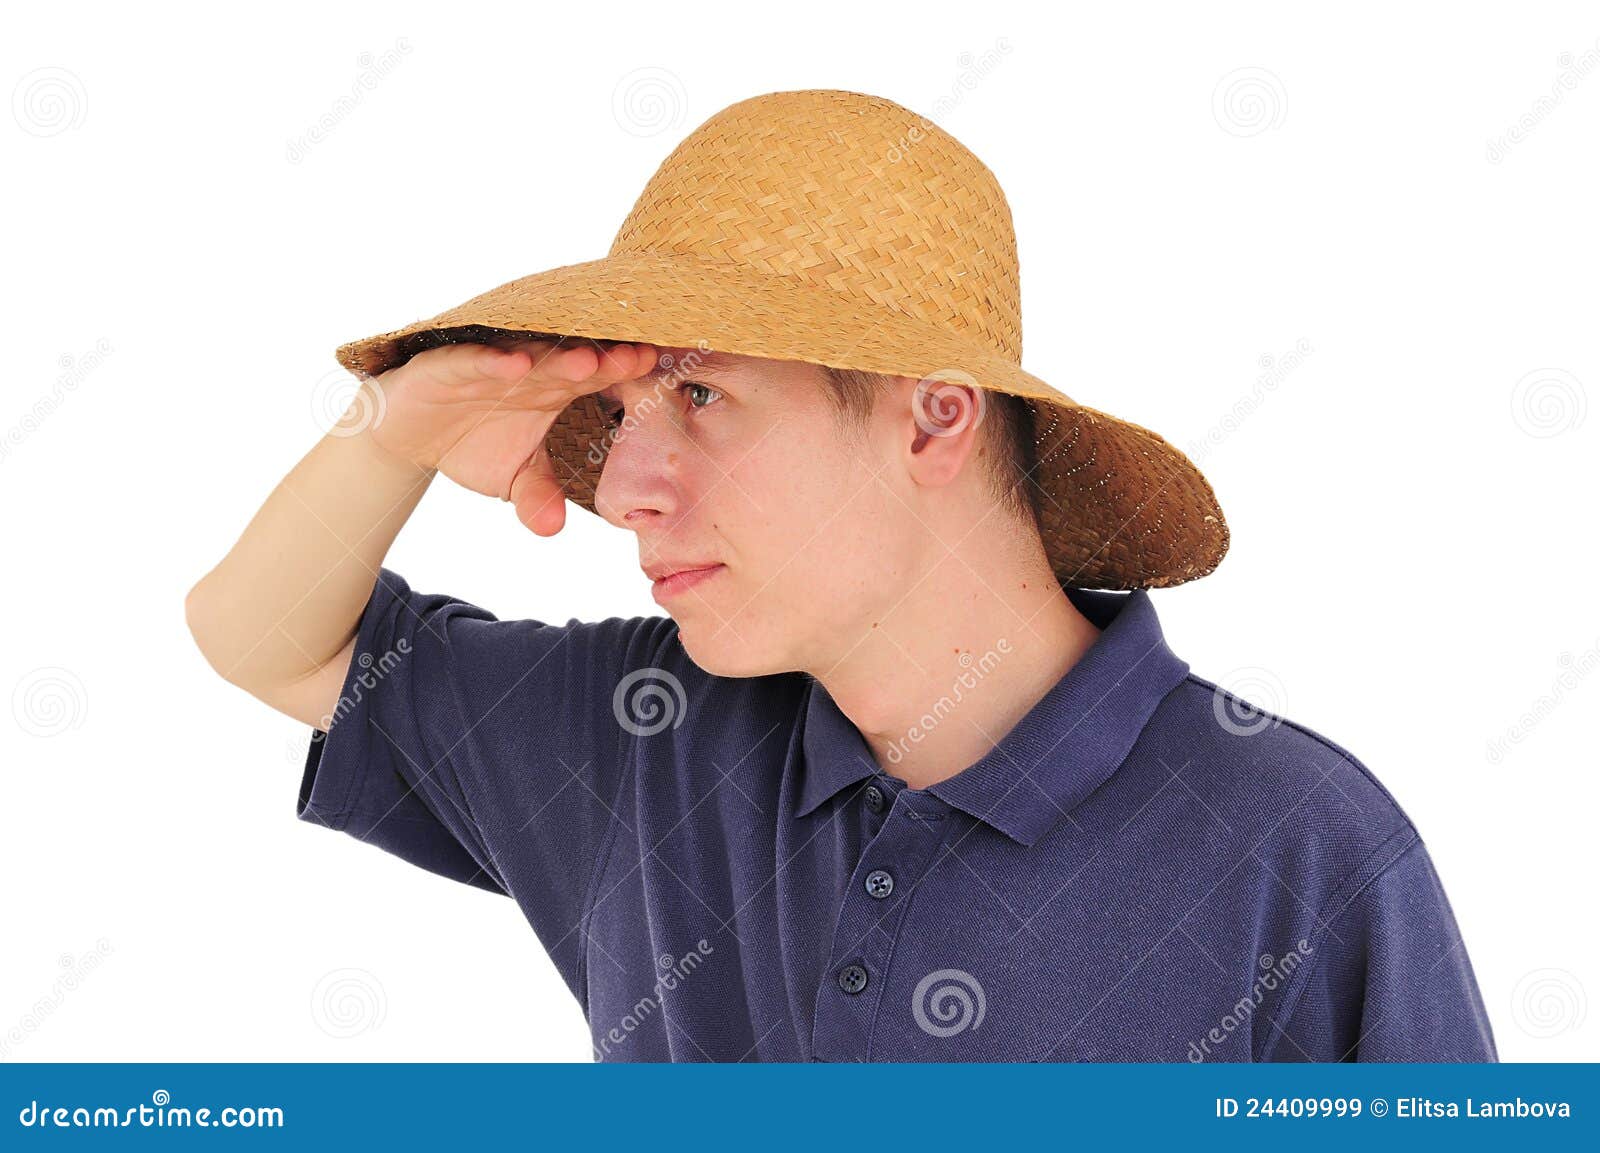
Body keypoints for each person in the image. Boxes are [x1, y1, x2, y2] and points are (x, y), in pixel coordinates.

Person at [186, 89, 1496, 1062]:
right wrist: (394, 435)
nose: (626, 488)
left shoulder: (1293, 846)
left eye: (698, 392)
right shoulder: (650, 733)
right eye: (625, 412)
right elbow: (270, 640)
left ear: (934, 418)